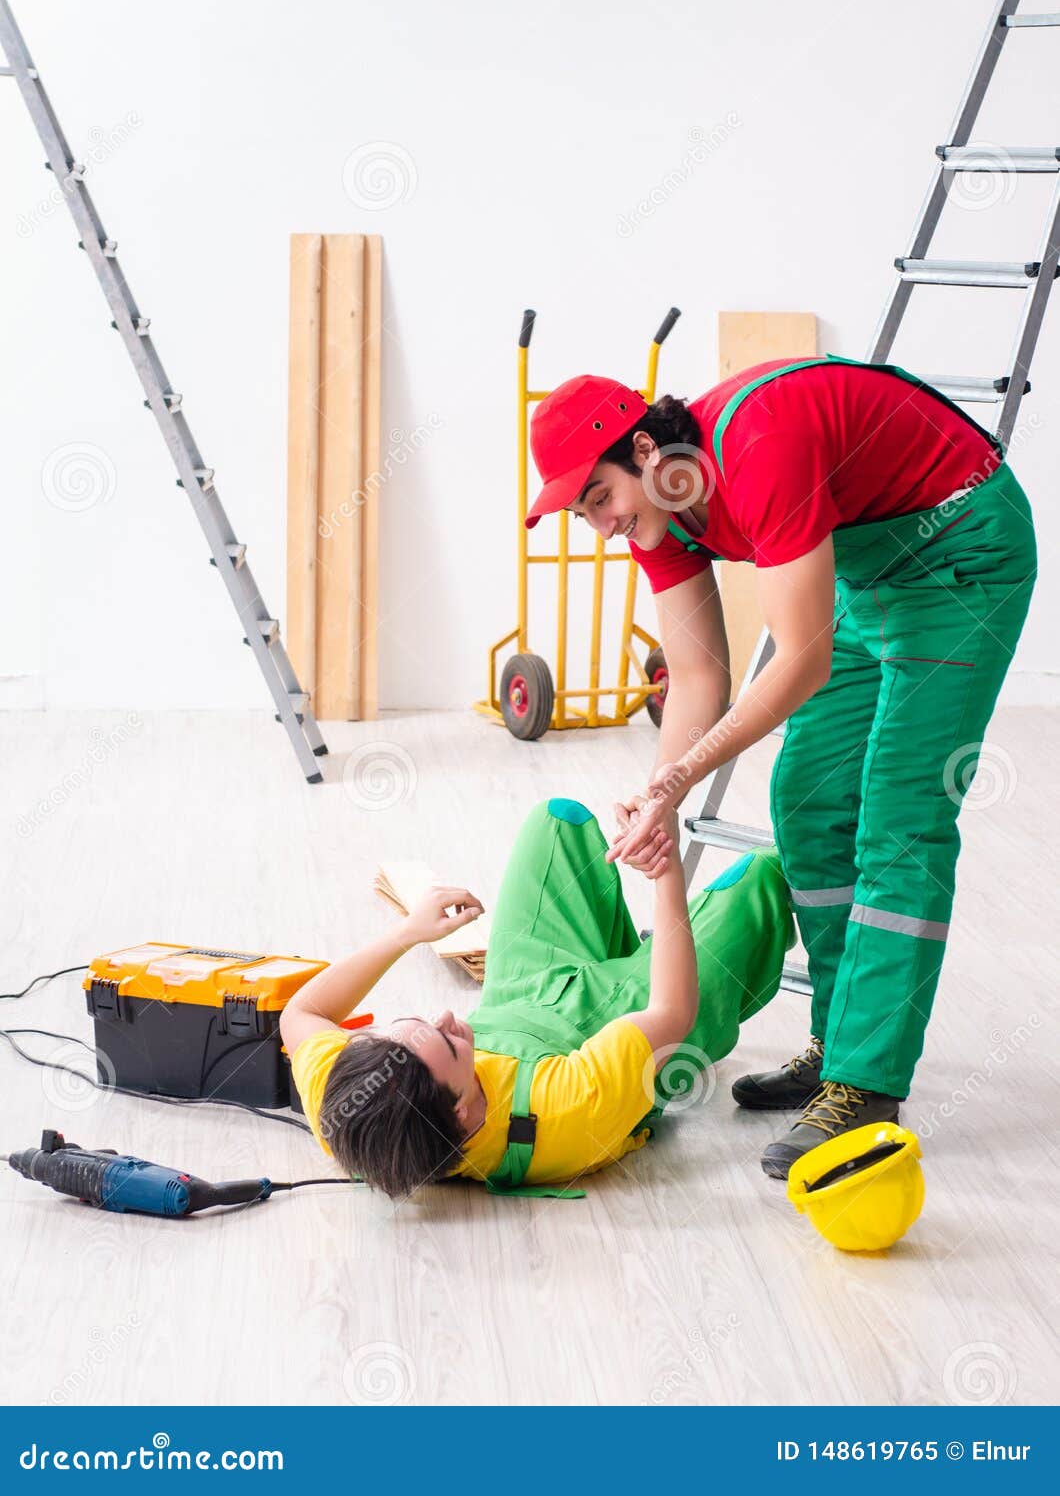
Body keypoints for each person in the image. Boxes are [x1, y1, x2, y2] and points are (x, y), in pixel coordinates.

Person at [523, 352, 1037, 1177]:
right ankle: (839, 1041)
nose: (603, 526)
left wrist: (683, 776)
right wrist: (660, 797)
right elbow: (697, 674)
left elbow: (801, 662)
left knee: (900, 810)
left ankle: (865, 1084)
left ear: (646, 453)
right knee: (807, 798)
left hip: (960, 559)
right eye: (586, 514)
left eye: (599, 500)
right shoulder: (663, 515)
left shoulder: (758, 445)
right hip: (870, 579)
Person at [280, 797, 795, 1200]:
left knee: (558, 822)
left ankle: (616, 945)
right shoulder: (568, 1108)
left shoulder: (347, 1108)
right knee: (762, 877)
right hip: (635, 1019)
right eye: (451, 1044)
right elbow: (671, 1012)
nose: (447, 1016)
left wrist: (409, 933)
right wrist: (666, 875)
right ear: (462, 1113)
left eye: (419, 1023)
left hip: (524, 988)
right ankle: (643, 953)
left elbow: (303, 1012)